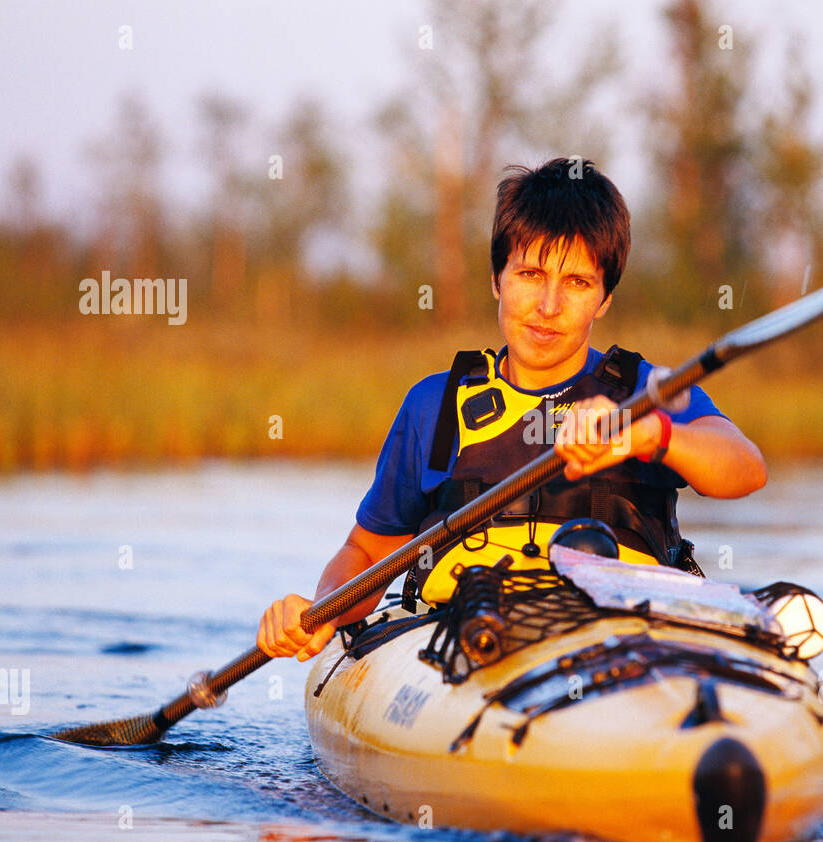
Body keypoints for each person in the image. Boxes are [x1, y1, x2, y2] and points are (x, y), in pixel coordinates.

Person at [258, 157, 766, 662]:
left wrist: (650, 436)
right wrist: (321, 611)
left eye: (578, 283)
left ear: (605, 299)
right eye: (530, 273)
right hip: (463, 646)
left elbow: (745, 470)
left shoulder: (647, 391)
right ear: (497, 280)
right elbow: (368, 556)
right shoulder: (434, 406)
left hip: (626, 647)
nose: (548, 306)